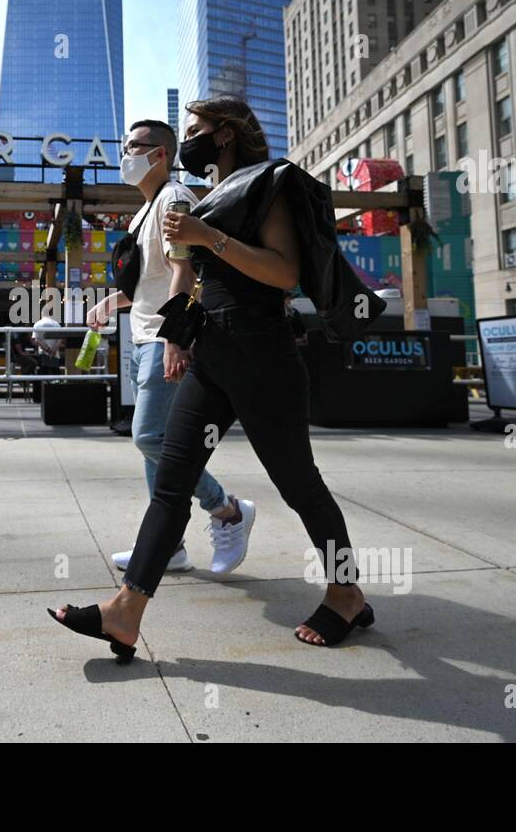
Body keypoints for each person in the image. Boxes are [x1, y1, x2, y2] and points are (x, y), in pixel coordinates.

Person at [51, 95, 372, 653]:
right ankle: (126, 611)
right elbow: (195, 281)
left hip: (262, 351)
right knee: (171, 481)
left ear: (225, 133)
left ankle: (345, 592)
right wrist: (179, 332)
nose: (190, 140)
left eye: (196, 130)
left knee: (300, 486)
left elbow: (283, 272)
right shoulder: (210, 196)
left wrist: (207, 238)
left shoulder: (264, 183)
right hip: (212, 349)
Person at [86, 117, 255, 574]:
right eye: (124, 146)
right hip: (143, 339)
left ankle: (227, 510)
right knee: (152, 445)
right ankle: (168, 545)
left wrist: (176, 339)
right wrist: (111, 302)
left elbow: (186, 274)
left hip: (165, 339)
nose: (125, 155)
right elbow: (151, 282)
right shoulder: (145, 210)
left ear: (160, 154)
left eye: (134, 147)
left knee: (150, 437)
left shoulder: (176, 199)